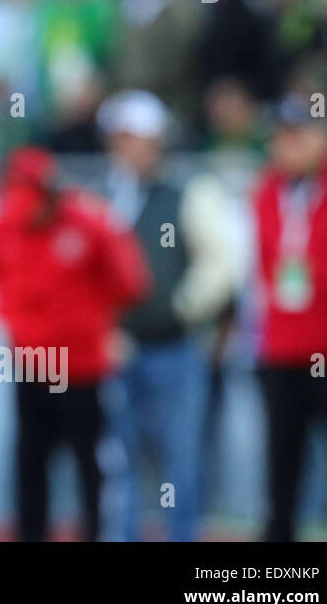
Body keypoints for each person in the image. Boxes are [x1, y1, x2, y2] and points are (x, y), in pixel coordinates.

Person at [0, 146, 149, 542]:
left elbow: (130, 282)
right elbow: (0, 286)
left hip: (82, 370)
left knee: (90, 463)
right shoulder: (5, 226)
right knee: (31, 462)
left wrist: (90, 324)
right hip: (30, 366)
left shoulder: (90, 221)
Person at [97, 90, 235, 541]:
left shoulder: (188, 193)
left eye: (133, 137)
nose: (124, 148)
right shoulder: (108, 197)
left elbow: (222, 263)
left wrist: (182, 308)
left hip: (175, 348)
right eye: (118, 138)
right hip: (121, 349)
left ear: (156, 141)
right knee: (121, 462)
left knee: (181, 461)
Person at [253, 92, 327, 541]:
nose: (287, 146)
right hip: (282, 349)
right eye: (280, 136)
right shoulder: (267, 194)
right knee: (281, 471)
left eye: (297, 135)